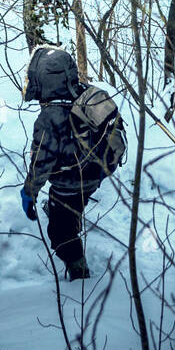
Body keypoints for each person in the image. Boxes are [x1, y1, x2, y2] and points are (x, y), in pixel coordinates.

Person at [20, 45, 104, 281]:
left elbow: (41, 162)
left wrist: (29, 192)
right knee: (73, 205)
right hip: (94, 175)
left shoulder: (49, 118)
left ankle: (79, 272)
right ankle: (68, 213)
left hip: (69, 184)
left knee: (59, 234)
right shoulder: (85, 95)